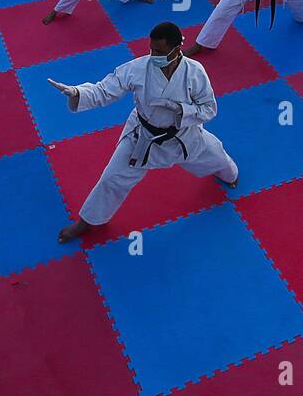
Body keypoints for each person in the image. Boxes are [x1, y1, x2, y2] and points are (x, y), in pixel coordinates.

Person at [49, 21, 239, 243]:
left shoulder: (195, 72)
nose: (153, 55)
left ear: (176, 49)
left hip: (183, 136)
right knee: (112, 178)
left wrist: (181, 110)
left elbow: (209, 109)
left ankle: (230, 175)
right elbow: (104, 90)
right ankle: (88, 221)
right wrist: (77, 93)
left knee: (216, 154)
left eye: (159, 51)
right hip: (143, 137)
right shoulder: (138, 68)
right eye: (151, 49)